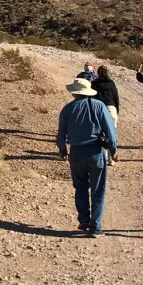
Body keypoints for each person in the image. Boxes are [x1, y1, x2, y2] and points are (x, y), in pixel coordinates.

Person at [57, 77, 119, 237]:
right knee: (98, 189)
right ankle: (96, 226)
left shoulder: (67, 109)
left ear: (73, 93)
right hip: (95, 151)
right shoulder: (98, 106)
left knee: (80, 187)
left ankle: (84, 219)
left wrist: (63, 150)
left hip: (76, 152)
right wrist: (113, 148)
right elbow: (110, 129)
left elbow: (61, 133)